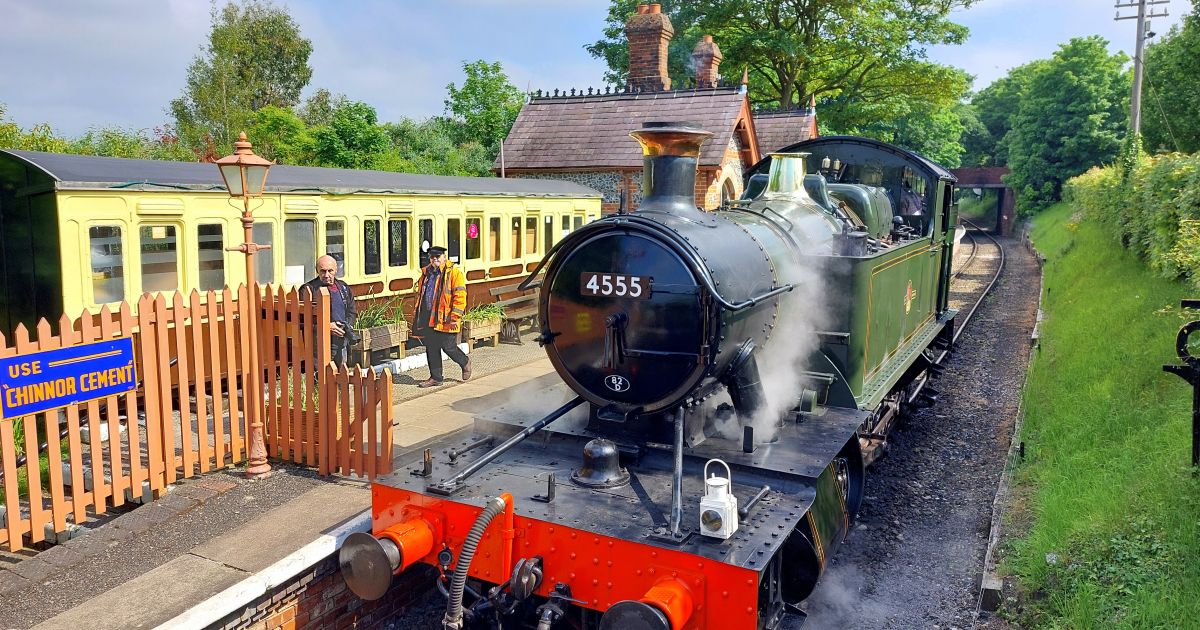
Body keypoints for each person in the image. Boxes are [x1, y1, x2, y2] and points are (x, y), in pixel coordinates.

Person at [412, 246, 473, 387]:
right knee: (431, 347)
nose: (435, 259)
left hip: (446, 317)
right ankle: (436, 377)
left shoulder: (454, 273)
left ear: (444, 257)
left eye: (438, 256)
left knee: (448, 347)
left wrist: (455, 316)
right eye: (432, 257)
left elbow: (460, 296)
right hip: (430, 316)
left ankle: (465, 362)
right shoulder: (426, 273)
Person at [303, 254, 357, 367]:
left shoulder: (343, 287)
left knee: (341, 377)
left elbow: (352, 311)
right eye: (322, 271)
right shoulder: (308, 289)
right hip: (318, 345)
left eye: (330, 271)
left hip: (341, 342)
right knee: (320, 380)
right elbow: (301, 321)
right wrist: (326, 326)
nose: (326, 275)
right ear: (317, 270)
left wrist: (347, 325)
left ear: (336, 270)